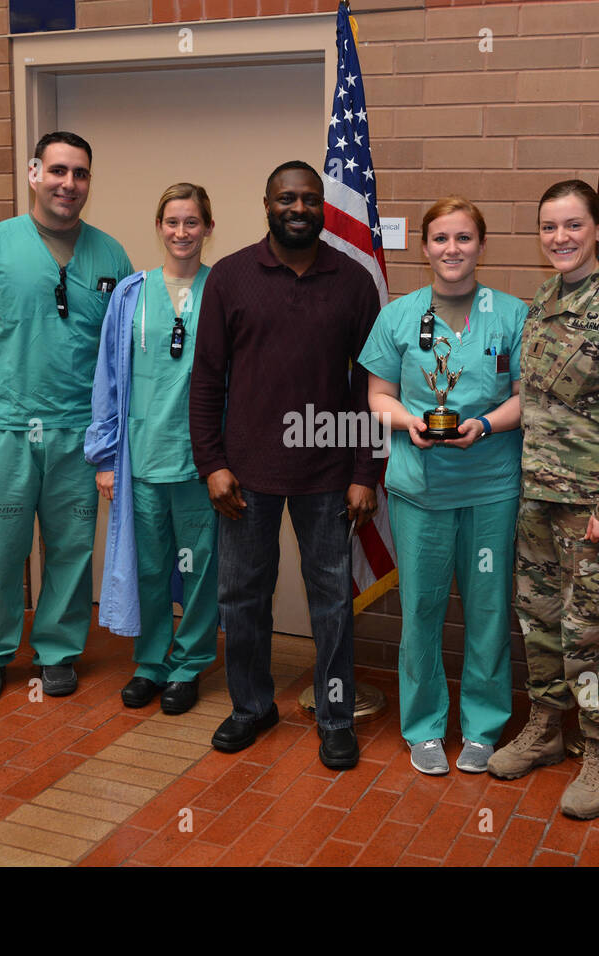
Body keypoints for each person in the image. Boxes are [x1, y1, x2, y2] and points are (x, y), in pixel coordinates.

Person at [189, 161, 379, 771]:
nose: (299, 209)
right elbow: (206, 381)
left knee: (331, 602)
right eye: (286, 199)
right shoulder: (230, 277)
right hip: (246, 477)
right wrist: (212, 463)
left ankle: (335, 717)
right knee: (242, 596)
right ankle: (251, 707)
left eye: (310, 199)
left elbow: (368, 386)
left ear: (323, 206)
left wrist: (363, 473)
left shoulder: (352, 281)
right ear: (266, 203)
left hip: (328, 477)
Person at [488, 180, 599, 822]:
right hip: (538, 497)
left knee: (590, 635)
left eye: (571, 225)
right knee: (539, 622)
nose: (559, 238)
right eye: (548, 227)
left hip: (594, 509)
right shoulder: (543, 300)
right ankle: (545, 729)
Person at [0, 131, 135, 702]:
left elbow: (124, 351)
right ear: (33, 174)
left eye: (79, 174)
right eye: (57, 171)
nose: (68, 184)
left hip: (80, 432)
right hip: (5, 429)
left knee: (72, 549)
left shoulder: (111, 256)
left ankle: (57, 650)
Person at [358, 196, 526, 775]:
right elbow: (378, 395)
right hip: (419, 491)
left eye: (463, 238)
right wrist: (408, 423)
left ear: (481, 245)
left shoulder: (512, 315)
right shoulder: (398, 316)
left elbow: (528, 399)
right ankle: (424, 726)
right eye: (440, 239)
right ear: (425, 247)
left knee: (486, 610)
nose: (451, 250)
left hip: (489, 490)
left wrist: (482, 425)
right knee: (422, 610)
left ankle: (483, 726)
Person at [87, 183, 218, 715]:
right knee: (148, 565)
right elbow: (109, 377)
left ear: (209, 227)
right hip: (139, 457)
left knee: (200, 565)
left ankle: (190, 664)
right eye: (172, 222)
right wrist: (104, 454)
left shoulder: (224, 289)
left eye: (192, 222)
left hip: (201, 461)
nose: (182, 232)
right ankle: (151, 663)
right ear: (159, 227)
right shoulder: (131, 293)